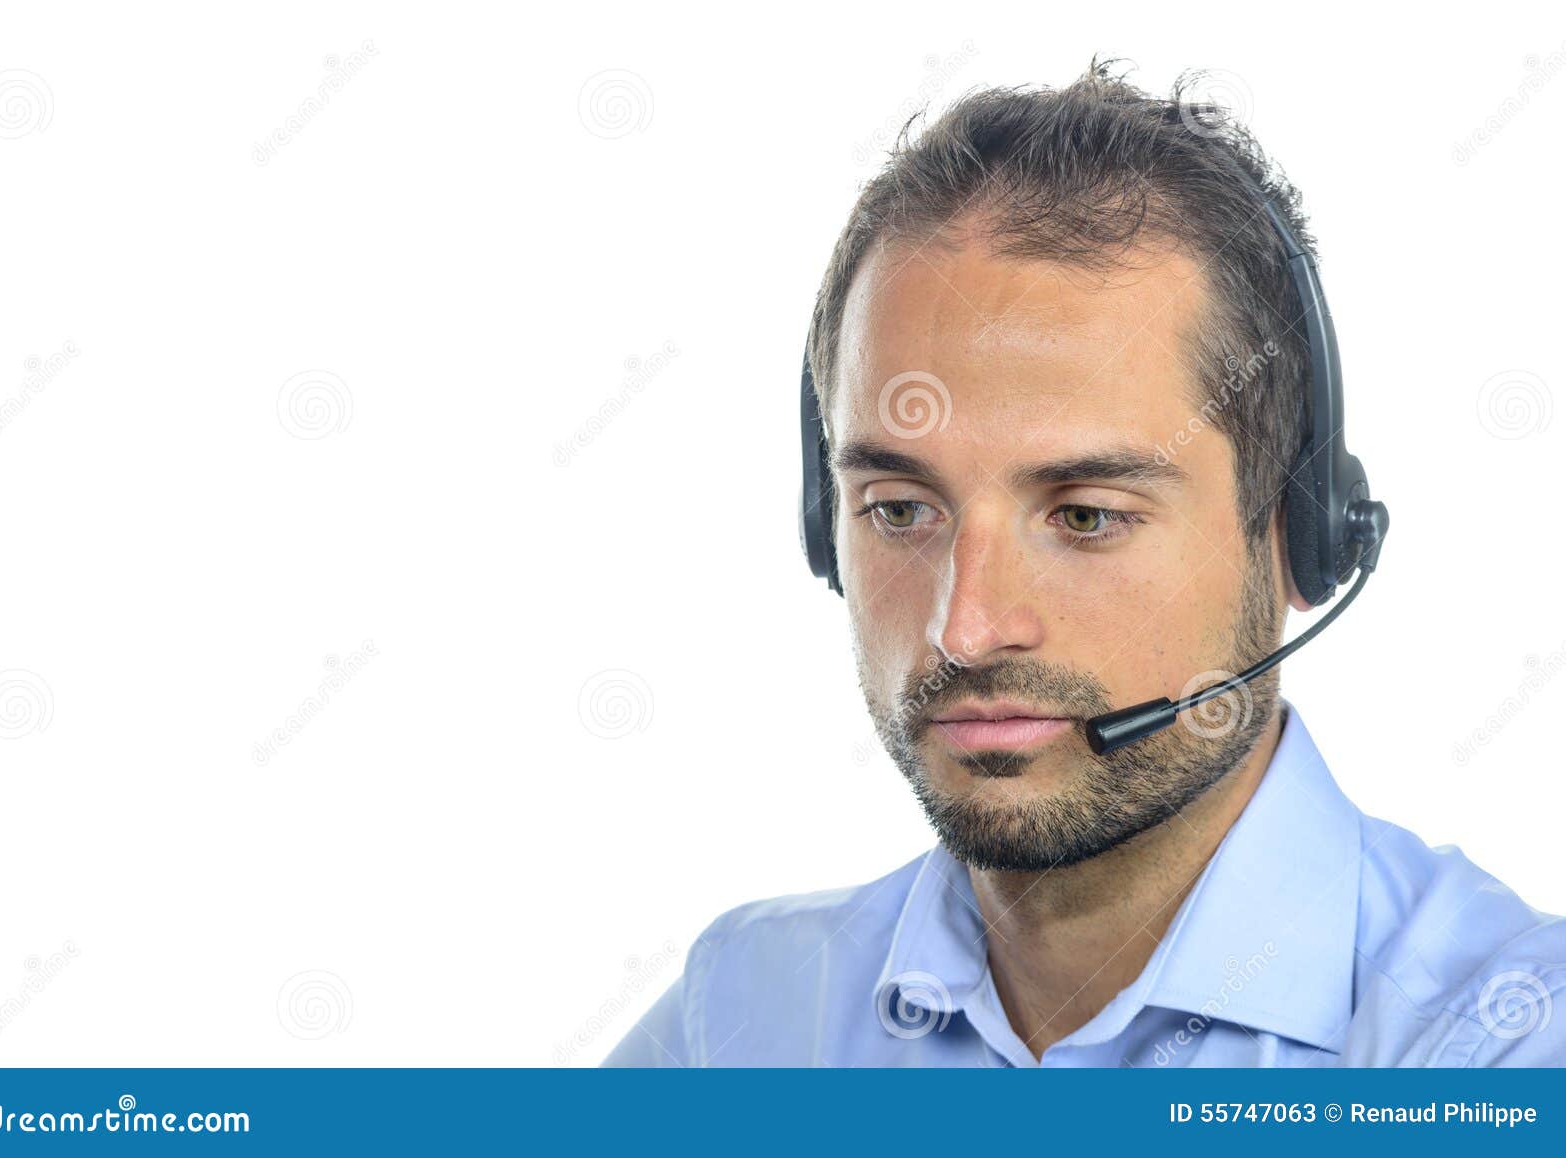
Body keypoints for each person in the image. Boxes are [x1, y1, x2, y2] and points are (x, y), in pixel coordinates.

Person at [604, 59, 1566, 1068]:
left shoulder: (1507, 1048)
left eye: (1086, 516)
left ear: (1300, 530)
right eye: (900, 509)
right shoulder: (739, 1019)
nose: (965, 628)